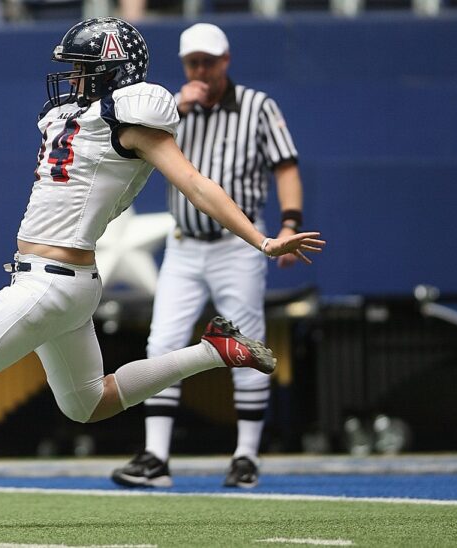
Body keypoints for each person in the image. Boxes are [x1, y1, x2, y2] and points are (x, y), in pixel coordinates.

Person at [0, 17, 323, 530]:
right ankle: (210, 352)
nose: (74, 78)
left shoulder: (132, 118)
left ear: (114, 72)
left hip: (52, 281)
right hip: (58, 283)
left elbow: (195, 183)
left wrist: (262, 239)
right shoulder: (71, 114)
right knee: (90, 403)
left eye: (85, 68)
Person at [110, 23, 307, 490]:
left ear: (225, 61)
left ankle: (246, 455)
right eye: (192, 62)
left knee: (248, 341)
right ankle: (156, 455)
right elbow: (132, 143)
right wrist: (176, 107)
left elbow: (286, 166)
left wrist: (289, 223)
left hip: (235, 247)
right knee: (163, 342)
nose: (200, 69)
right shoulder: (171, 109)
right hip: (184, 243)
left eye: (208, 61)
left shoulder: (258, 106)